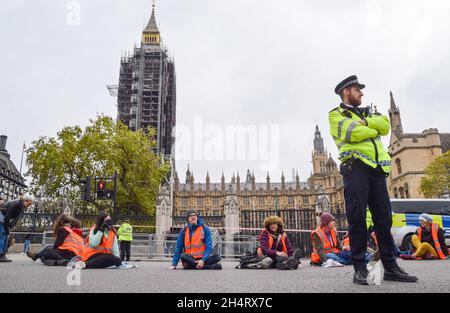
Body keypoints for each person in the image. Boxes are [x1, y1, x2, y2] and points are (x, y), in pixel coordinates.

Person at [328, 75, 418, 284]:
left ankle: (391, 266)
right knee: (358, 220)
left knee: (383, 220)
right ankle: (359, 268)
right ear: (346, 92)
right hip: (356, 168)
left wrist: (366, 121)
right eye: (357, 89)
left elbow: (385, 126)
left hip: (377, 170)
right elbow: (352, 133)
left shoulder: (369, 112)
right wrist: (369, 127)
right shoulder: (336, 115)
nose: (361, 93)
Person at [0, 193, 34, 262]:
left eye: (30, 204)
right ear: (24, 200)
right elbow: (7, 216)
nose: (29, 205)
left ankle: (2, 254)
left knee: (5, 236)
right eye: (28, 203)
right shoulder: (16, 204)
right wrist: (6, 228)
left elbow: (15, 219)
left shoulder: (22, 207)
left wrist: (9, 227)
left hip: (4, 218)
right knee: (3, 235)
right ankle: (1, 254)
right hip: (1, 216)